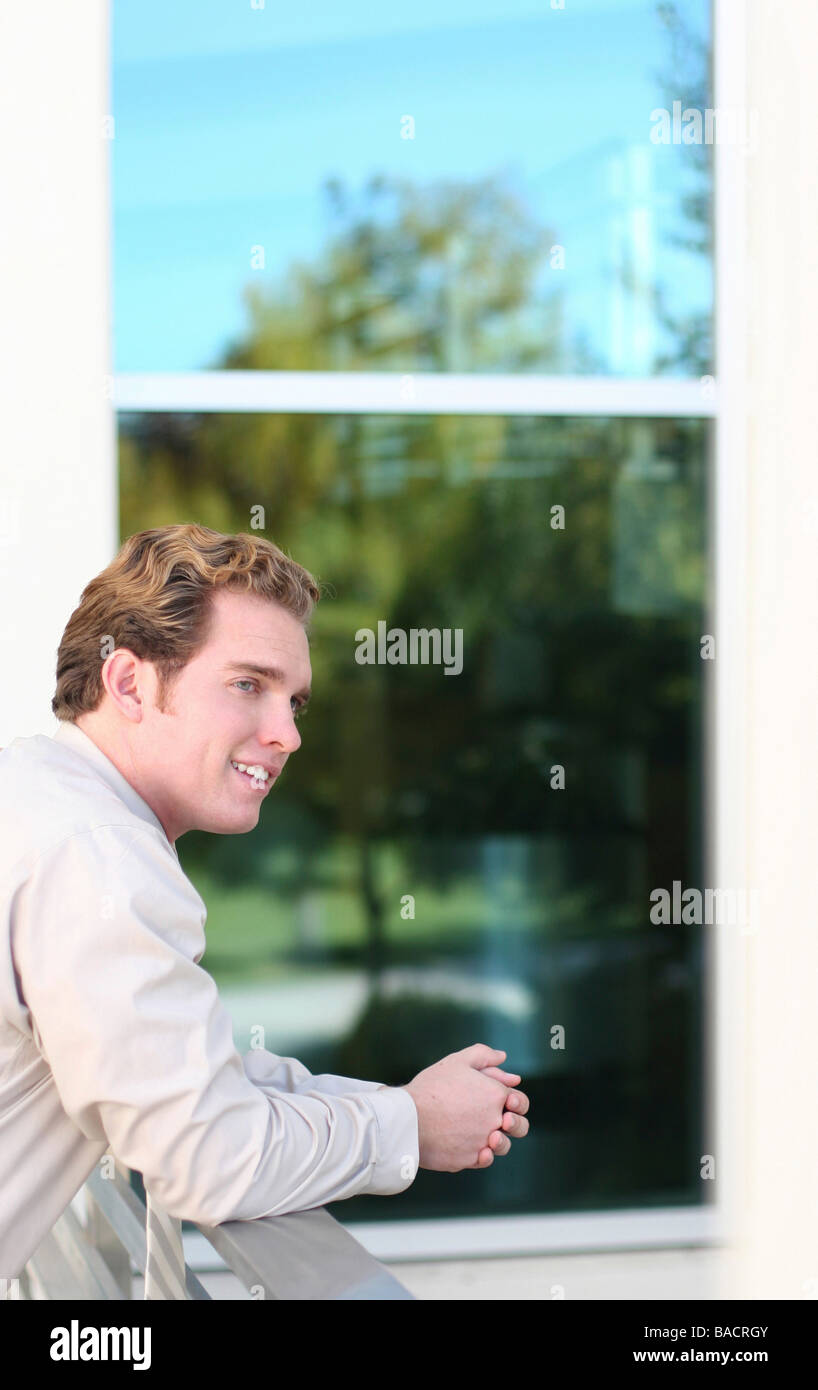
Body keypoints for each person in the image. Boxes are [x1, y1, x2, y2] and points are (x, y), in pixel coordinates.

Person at [0, 524, 529, 1278]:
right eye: (248, 684)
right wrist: (408, 1126)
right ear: (129, 684)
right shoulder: (99, 854)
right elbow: (205, 1157)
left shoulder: (39, 799)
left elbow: (177, 1071)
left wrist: (406, 1104)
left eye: (295, 702)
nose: (286, 735)